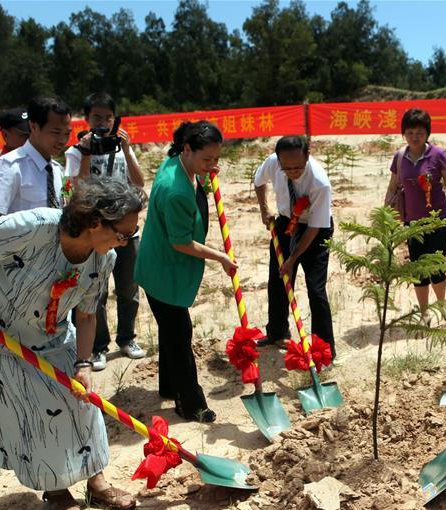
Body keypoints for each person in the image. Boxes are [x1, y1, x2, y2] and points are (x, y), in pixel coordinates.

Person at [0, 177, 145, 510]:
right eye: (123, 234)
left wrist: (82, 363)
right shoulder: (34, 227)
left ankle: (97, 482)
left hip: (54, 333)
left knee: (84, 404)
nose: (125, 243)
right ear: (95, 223)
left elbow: (88, 313)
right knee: (39, 408)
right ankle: (55, 488)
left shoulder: (101, 258)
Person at [135, 121, 236, 421]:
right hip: (165, 271)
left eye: (216, 159)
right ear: (187, 149)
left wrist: (204, 174)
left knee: (170, 329)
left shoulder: (174, 164)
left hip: (156, 264)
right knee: (180, 334)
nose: (212, 165)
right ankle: (190, 403)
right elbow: (181, 243)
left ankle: (169, 386)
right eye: (207, 160)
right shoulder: (177, 189)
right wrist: (220, 257)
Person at [65, 92, 147, 370]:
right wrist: (87, 152)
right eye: (97, 117)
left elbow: (139, 183)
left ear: (116, 120)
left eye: (108, 117)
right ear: (86, 119)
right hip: (94, 233)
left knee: (128, 287)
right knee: (94, 291)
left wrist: (126, 149)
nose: (103, 123)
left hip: (125, 232)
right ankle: (98, 347)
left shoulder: (123, 147)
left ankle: (127, 339)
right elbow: (78, 186)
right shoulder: (76, 151)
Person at [382, 108, 446, 322]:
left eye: (420, 132)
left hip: (440, 220)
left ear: (427, 133)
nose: (415, 136)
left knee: (435, 265)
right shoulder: (400, 157)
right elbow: (393, 187)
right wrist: (385, 216)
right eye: (410, 132)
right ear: (404, 133)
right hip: (412, 222)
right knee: (417, 268)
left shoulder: (438, 155)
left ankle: (441, 306)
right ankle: (424, 313)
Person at [254, 136, 336, 356]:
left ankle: (323, 348)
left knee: (315, 287)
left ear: (307, 156)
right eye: (286, 168)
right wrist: (264, 209)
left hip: (314, 231)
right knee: (278, 279)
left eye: (298, 167)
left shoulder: (319, 182)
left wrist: (292, 259)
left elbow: (315, 228)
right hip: (284, 222)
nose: (292, 172)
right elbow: (258, 180)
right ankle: (277, 332)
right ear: (279, 161)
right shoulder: (273, 162)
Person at [0, 96, 72, 219]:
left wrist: (82, 160)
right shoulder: (8, 166)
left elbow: (68, 202)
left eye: (67, 133)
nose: (62, 140)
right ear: (34, 127)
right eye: (56, 132)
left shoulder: (58, 170)